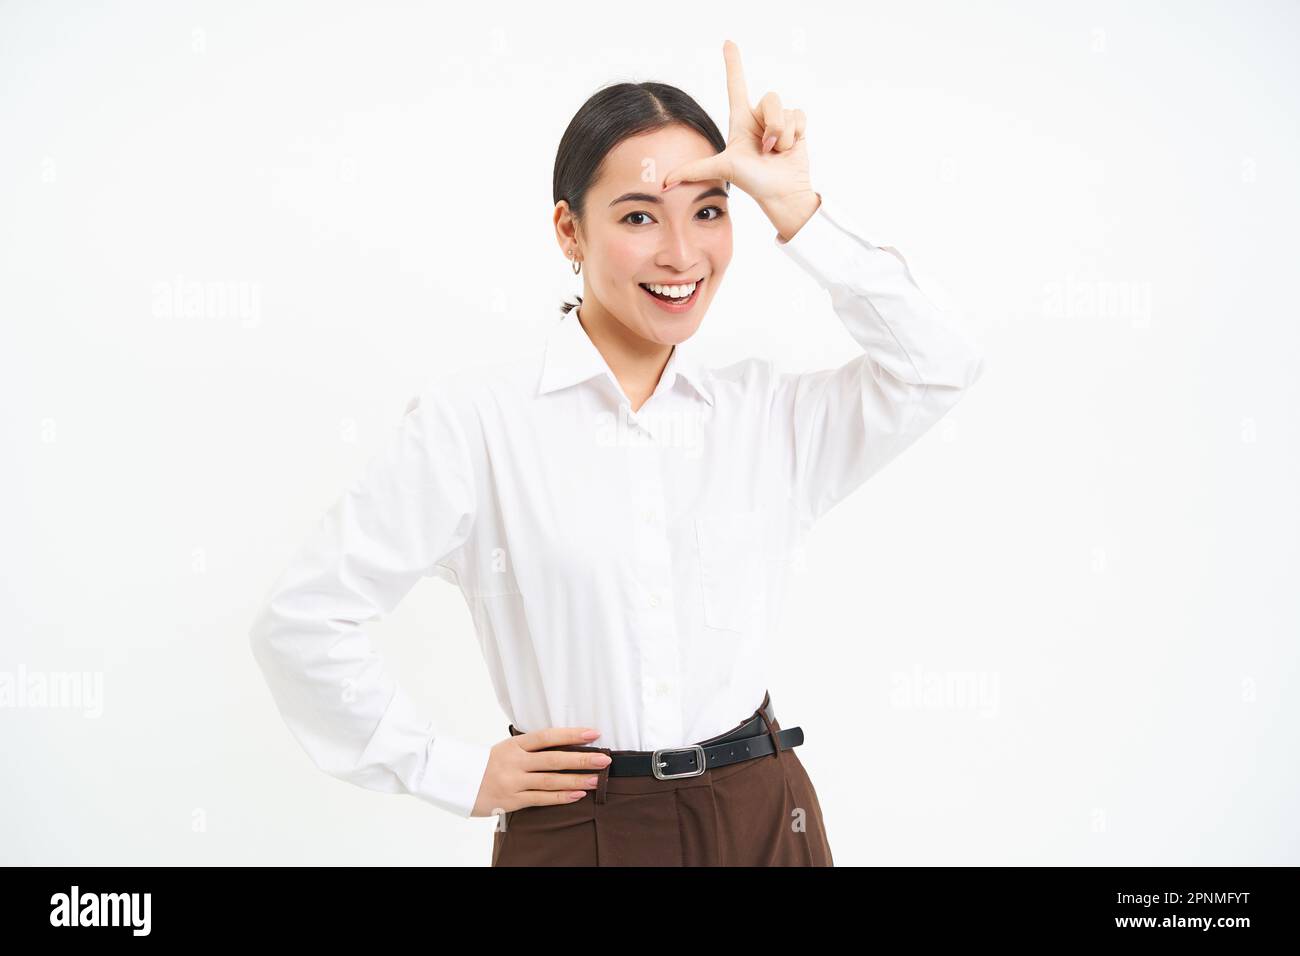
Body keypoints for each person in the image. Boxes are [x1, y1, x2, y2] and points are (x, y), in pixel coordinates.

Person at [249, 40, 985, 866]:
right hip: (578, 830)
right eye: (638, 215)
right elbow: (304, 621)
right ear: (570, 229)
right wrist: (451, 772)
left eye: (709, 210)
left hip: (763, 815)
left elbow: (941, 365)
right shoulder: (475, 424)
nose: (681, 253)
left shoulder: (766, 417)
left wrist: (798, 208)